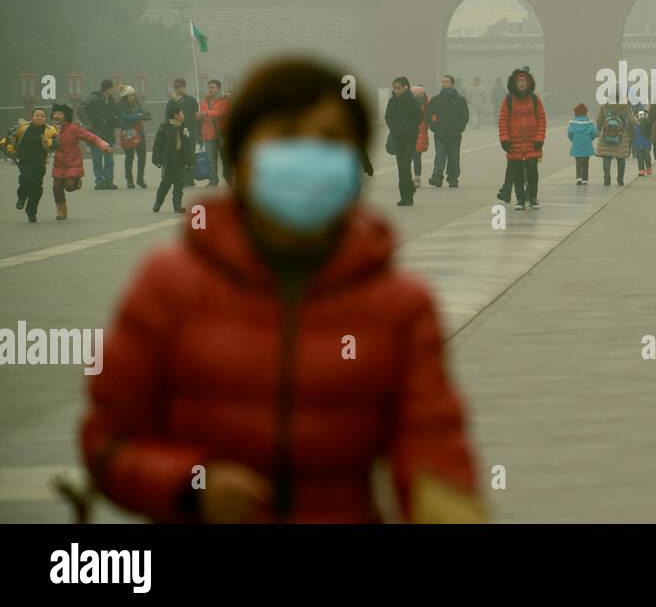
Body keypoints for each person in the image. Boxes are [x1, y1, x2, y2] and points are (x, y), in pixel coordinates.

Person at [82, 57, 483, 523]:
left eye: (332, 140)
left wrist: (447, 501)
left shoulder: (400, 305)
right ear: (244, 157)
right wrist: (190, 483)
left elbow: (431, 441)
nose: (309, 154)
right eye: (288, 136)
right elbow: (107, 441)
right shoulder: (170, 286)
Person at [49, 103, 111, 221]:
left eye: (60, 114)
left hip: (73, 163)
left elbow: (90, 137)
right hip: (58, 164)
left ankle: (76, 180)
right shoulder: (50, 130)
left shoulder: (73, 129)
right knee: (56, 187)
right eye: (55, 113)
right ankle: (61, 210)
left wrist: (103, 145)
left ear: (66, 116)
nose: (56, 116)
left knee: (69, 185)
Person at [499, 66, 546, 210]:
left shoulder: (534, 99)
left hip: (532, 143)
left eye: (524, 81)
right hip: (514, 143)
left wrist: (539, 139)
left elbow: (542, 120)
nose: (521, 83)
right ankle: (520, 199)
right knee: (517, 173)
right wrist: (504, 139)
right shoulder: (508, 100)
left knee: (533, 171)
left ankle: (532, 198)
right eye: (519, 81)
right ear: (514, 83)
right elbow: (503, 120)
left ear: (528, 83)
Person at [12, 108, 58, 222]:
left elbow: (56, 145)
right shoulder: (23, 128)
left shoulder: (49, 130)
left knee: (36, 188)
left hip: (40, 163)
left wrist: (48, 142)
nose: (40, 118)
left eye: (42, 116)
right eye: (37, 115)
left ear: (45, 119)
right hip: (25, 160)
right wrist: (12, 152)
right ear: (32, 117)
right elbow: (12, 138)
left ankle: (31, 212)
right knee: (26, 178)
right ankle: (21, 198)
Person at [385, 76, 423, 206]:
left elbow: (420, 116)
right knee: (401, 167)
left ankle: (409, 196)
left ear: (405, 87)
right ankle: (405, 195)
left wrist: (410, 128)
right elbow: (387, 117)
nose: (395, 91)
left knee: (405, 165)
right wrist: (393, 128)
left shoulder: (412, 101)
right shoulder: (392, 102)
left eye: (398, 88)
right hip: (397, 138)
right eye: (394, 88)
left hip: (410, 138)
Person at [150, 101, 194, 213]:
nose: (183, 115)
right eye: (181, 113)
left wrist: (190, 161)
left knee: (179, 184)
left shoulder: (183, 128)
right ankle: (158, 203)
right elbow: (158, 145)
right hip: (169, 160)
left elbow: (187, 146)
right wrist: (157, 159)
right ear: (175, 115)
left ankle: (177, 204)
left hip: (180, 160)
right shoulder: (164, 128)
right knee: (165, 183)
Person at [428, 75, 469, 188]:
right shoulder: (436, 100)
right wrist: (433, 127)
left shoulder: (460, 100)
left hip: (454, 134)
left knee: (454, 157)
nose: (444, 84)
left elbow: (464, 116)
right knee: (440, 155)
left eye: (446, 82)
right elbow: (429, 114)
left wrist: (459, 128)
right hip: (440, 134)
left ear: (452, 84)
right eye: (443, 82)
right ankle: (437, 176)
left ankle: (453, 178)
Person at [79, 80, 119, 189]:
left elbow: (117, 113)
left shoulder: (112, 101)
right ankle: (99, 181)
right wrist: (87, 122)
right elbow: (81, 108)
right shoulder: (93, 98)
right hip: (95, 134)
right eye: (113, 88)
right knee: (97, 160)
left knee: (109, 160)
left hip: (108, 133)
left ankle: (109, 181)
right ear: (108, 89)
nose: (114, 90)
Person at [197, 80, 232, 187]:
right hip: (208, 134)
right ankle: (213, 180)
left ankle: (228, 178)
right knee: (211, 160)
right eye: (209, 87)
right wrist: (199, 116)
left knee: (225, 158)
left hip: (221, 134)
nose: (210, 89)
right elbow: (200, 114)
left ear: (218, 89)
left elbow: (222, 113)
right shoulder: (204, 101)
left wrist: (206, 113)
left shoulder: (225, 100)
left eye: (212, 87)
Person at [593, 97, 634, 185]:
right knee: (621, 157)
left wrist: (600, 130)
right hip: (621, 135)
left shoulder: (604, 106)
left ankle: (607, 178)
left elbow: (599, 120)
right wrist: (630, 131)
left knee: (607, 156)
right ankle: (620, 179)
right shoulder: (625, 107)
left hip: (606, 135)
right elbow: (631, 121)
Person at [117, 86, 150, 189]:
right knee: (129, 157)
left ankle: (140, 179)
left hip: (139, 132)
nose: (132, 97)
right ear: (125, 97)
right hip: (128, 133)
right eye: (130, 95)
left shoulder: (136, 103)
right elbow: (124, 117)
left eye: (133, 95)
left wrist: (144, 114)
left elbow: (140, 111)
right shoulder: (121, 106)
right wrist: (138, 116)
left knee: (142, 156)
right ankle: (129, 180)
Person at [170, 78, 200, 187]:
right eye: (175, 87)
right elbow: (167, 119)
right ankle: (180, 179)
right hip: (176, 133)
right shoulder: (171, 102)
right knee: (178, 157)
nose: (176, 89)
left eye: (178, 87)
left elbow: (196, 117)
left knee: (190, 156)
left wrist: (199, 134)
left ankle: (190, 179)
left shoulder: (191, 100)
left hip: (190, 132)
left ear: (184, 87)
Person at [568, 103, 597, 185]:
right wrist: (589, 139)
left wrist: (574, 140)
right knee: (585, 162)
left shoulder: (573, 123)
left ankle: (579, 178)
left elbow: (569, 134)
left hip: (577, 144)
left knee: (578, 161)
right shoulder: (590, 123)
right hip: (586, 144)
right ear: (585, 113)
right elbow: (595, 133)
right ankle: (585, 179)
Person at [411, 85, 429, 186]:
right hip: (419, 134)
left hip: (418, 134)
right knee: (416, 158)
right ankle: (416, 179)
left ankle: (416, 179)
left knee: (414, 157)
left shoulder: (410, 104)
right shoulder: (426, 103)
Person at [631, 95, 652, 177]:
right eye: (640, 120)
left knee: (647, 158)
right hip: (637, 145)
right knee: (639, 159)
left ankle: (648, 167)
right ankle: (641, 170)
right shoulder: (635, 126)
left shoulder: (647, 126)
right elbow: (632, 135)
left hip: (646, 145)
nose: (641, 121)